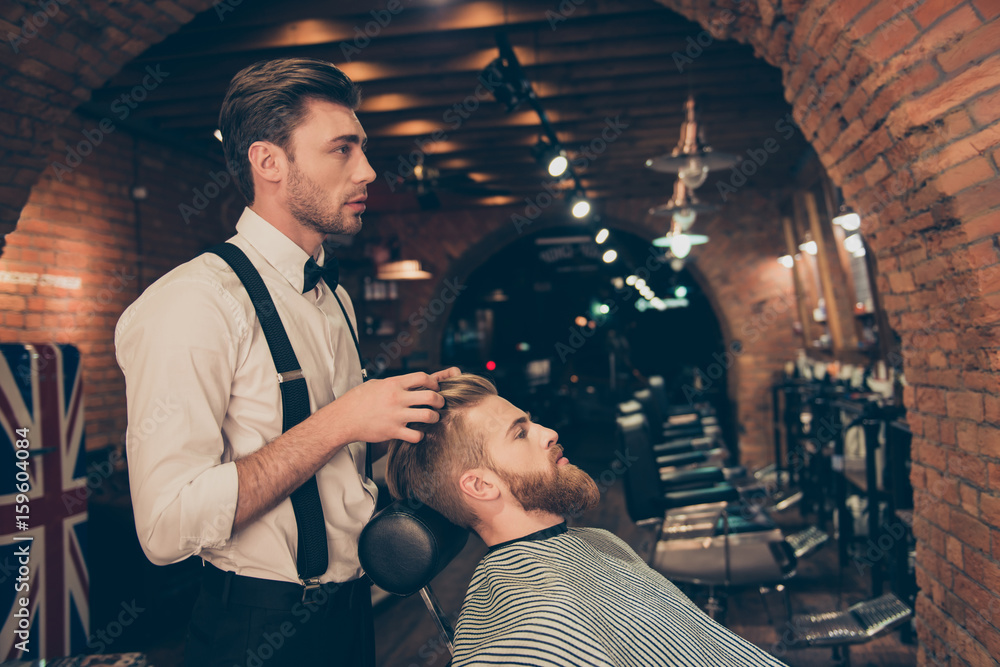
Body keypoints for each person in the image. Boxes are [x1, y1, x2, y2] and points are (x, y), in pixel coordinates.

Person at [115, 58, 456, 667]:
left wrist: (406, 412)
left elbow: (336, 464)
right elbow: (165, 526)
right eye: (342, 149)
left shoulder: (334, 296)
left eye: (362, 148)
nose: (368, 170)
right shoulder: (193, 302)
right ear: (269, 162)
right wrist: (343, 419)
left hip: (353, 612)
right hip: (259, 628)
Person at [387, 374, 787, 667]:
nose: (549, 433)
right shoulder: (528, 634)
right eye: (520, 433)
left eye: (531, 422)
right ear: (480, 485)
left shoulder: (597, 541)